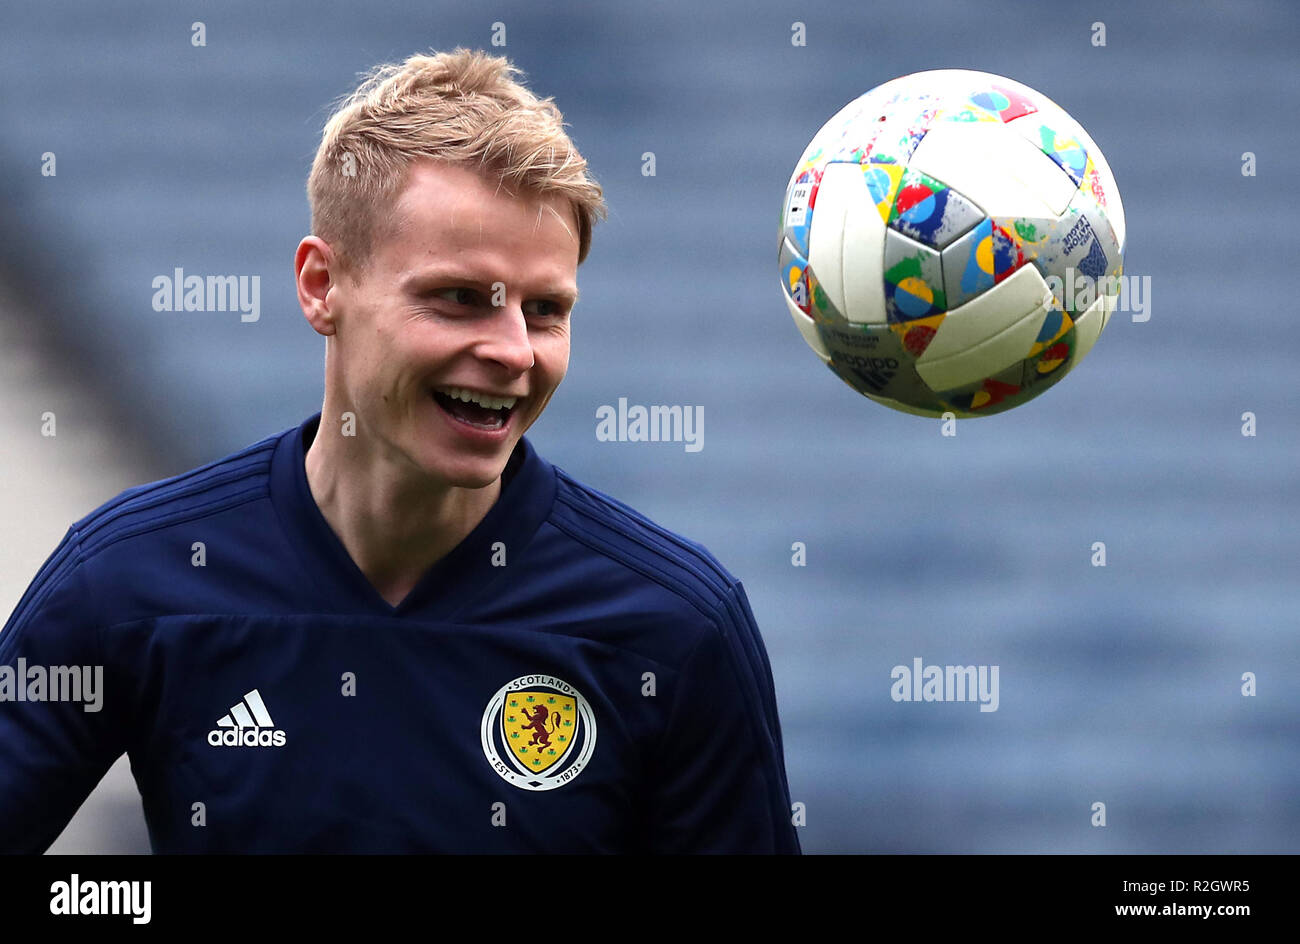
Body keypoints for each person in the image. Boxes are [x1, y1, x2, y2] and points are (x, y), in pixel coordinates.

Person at [0, 48, 799, 853]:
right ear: (321, 286)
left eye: (546, 310)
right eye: (459, 299)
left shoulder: (676, 625)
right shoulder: (131, 577)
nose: (516, 351)